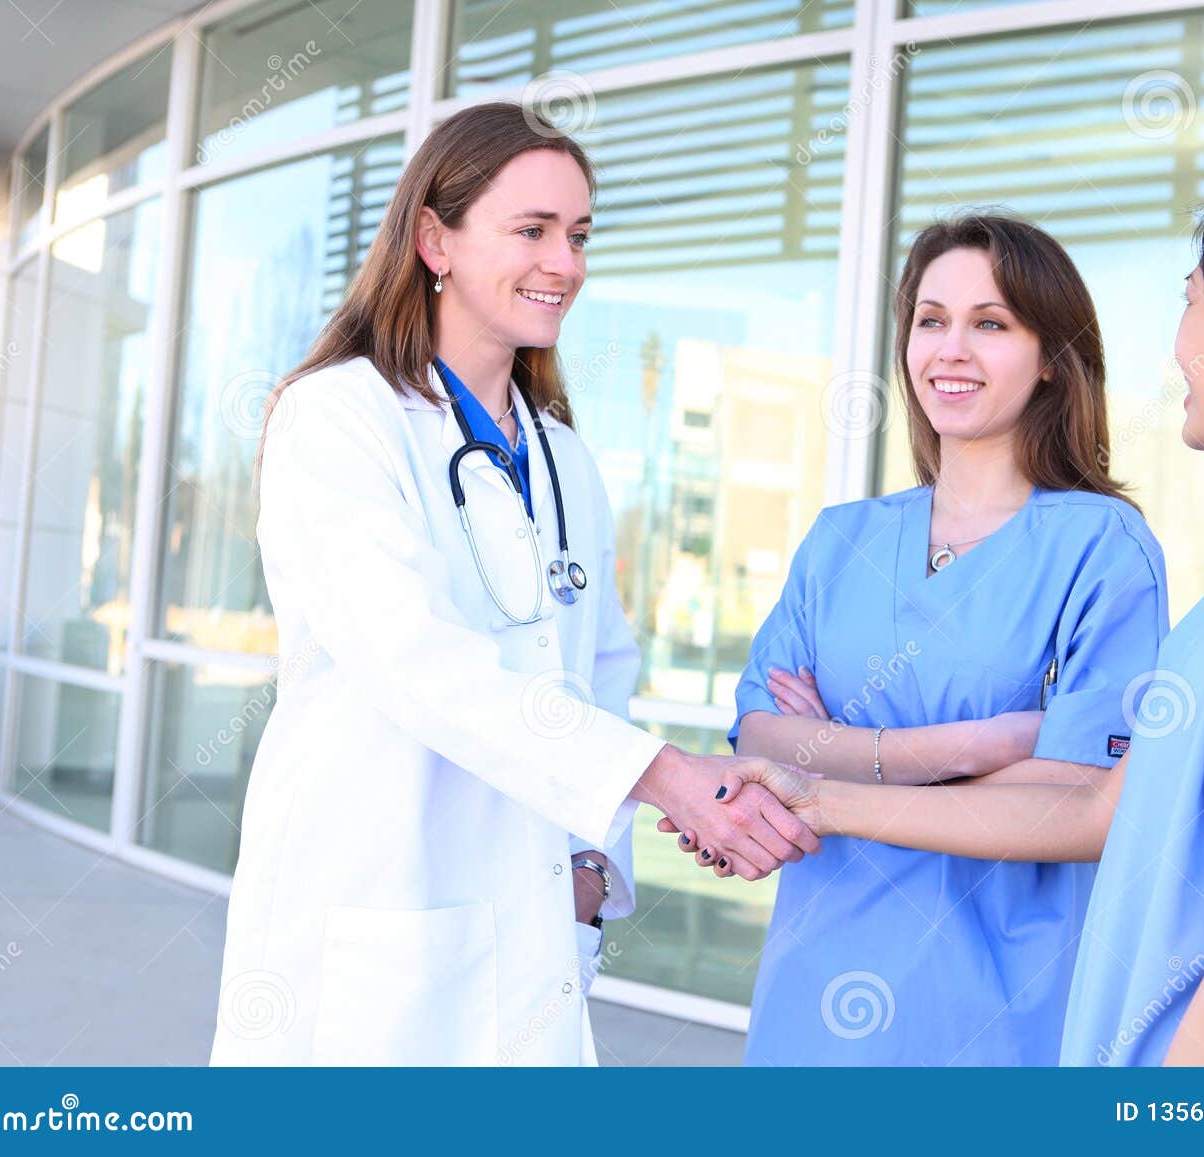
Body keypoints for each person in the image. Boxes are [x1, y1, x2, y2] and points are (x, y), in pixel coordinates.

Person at [686, 156, 1204, 1067]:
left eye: (1195, 303)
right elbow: (1106, 801)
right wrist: (886, 772)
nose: (1175, 347)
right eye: (930, 320)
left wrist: (849, 758)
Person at [209, 102, 817, 1068]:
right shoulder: (338, 418)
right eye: (531, 230)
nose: (564, 263)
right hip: (376, 905)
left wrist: (591, 863)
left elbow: (600, 663)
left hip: (534, 921)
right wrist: (669, 780)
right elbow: (415, 662)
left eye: (577, 236)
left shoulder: (564, 455)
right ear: (433, 238)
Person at [669, 215, 1169, 1065]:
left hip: (992, 1012)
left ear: (1051, 356)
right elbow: (760, 736)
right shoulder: (842, 538)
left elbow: (1082, 804)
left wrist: (837, 751)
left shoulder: (1103, 546)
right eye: (931, 320)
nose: (952, 349)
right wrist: (982, 743)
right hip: (813, 990)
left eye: (991, 323)